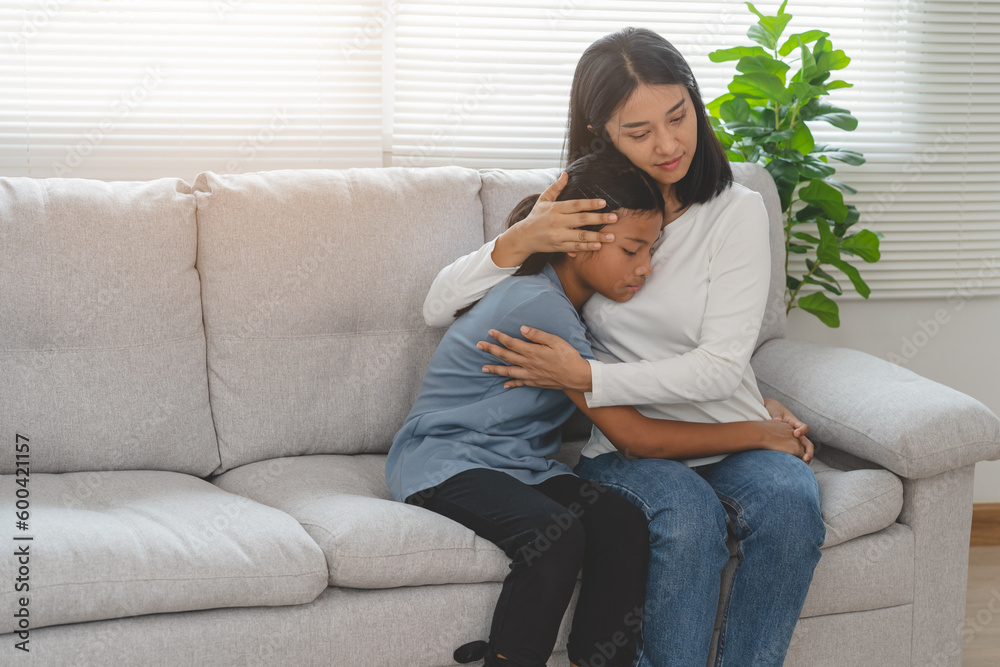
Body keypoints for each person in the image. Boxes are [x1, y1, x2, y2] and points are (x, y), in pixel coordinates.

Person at [421, 27, 826, 667]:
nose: (668, 145)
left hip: (725, 421)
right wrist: (523, 238)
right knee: (687, 517)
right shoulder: (587, 208)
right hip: (629, 444)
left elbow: (721, 364)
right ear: (601, 131)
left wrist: (585, 377)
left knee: (792, 502)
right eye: (638, 132)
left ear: (696, 101)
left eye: (679, 116)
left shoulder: (737, 211)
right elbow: (438, 305)